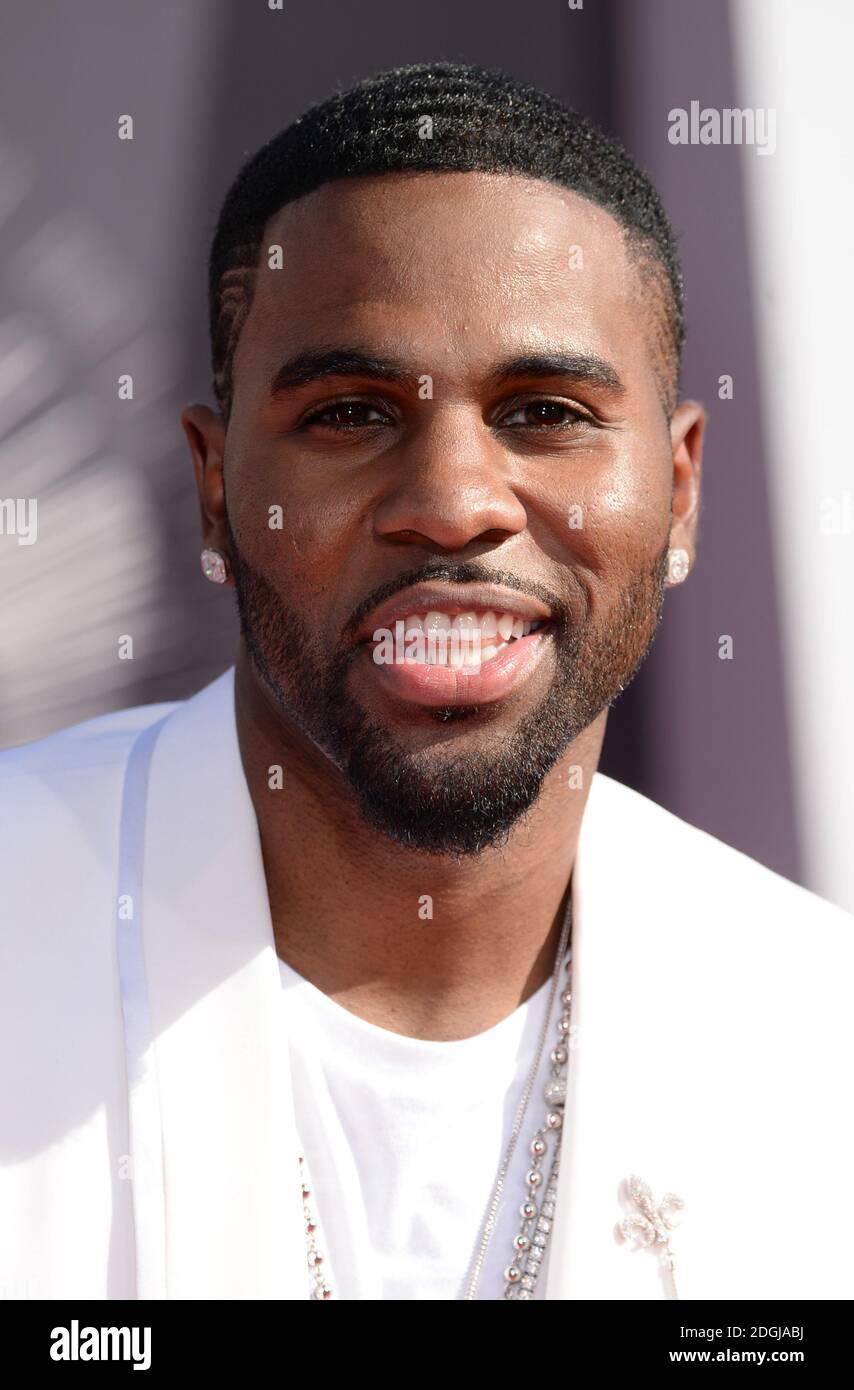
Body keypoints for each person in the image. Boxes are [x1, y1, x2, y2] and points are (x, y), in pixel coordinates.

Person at [2, 61, 852, 1302]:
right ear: (214, 487)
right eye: (350, 413)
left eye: (546, 410)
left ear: (677, 496)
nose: (454, 504)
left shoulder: (813, 1037)